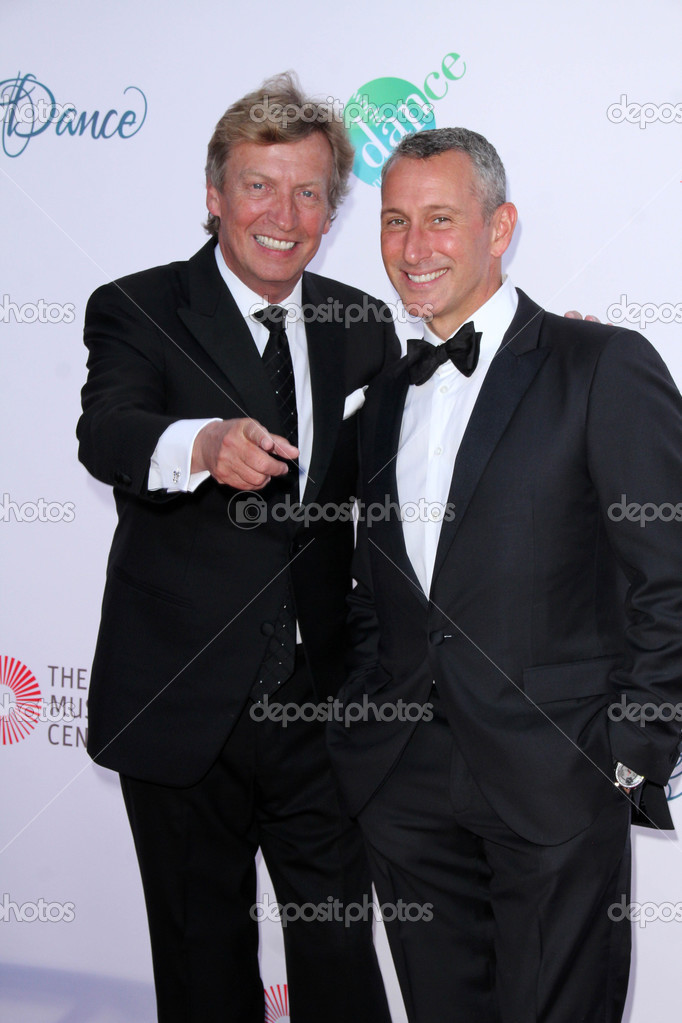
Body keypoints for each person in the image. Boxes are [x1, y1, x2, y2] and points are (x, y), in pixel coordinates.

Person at [327, 127, 682, 1023]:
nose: (414, 248)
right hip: (406, 784)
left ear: (501, 227)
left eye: (441, 219)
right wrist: (366, 715)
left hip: (558, 776)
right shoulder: (378, 405)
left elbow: (668, 572)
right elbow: (378, 588)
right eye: (396, 221)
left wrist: (634, 749)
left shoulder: (600, 364)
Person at [77, 73, 397, 1023]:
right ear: (214, 194)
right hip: (181, 709)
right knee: (202, 965)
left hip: (318, 713)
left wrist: (554, 358)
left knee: (341, 966)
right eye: (259, 186)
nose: (283, 214)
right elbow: (110, 432)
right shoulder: (135, 307)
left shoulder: (360, 323)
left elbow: (409, 450)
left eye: (308, 192)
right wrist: (204, 444)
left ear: (331, 209)